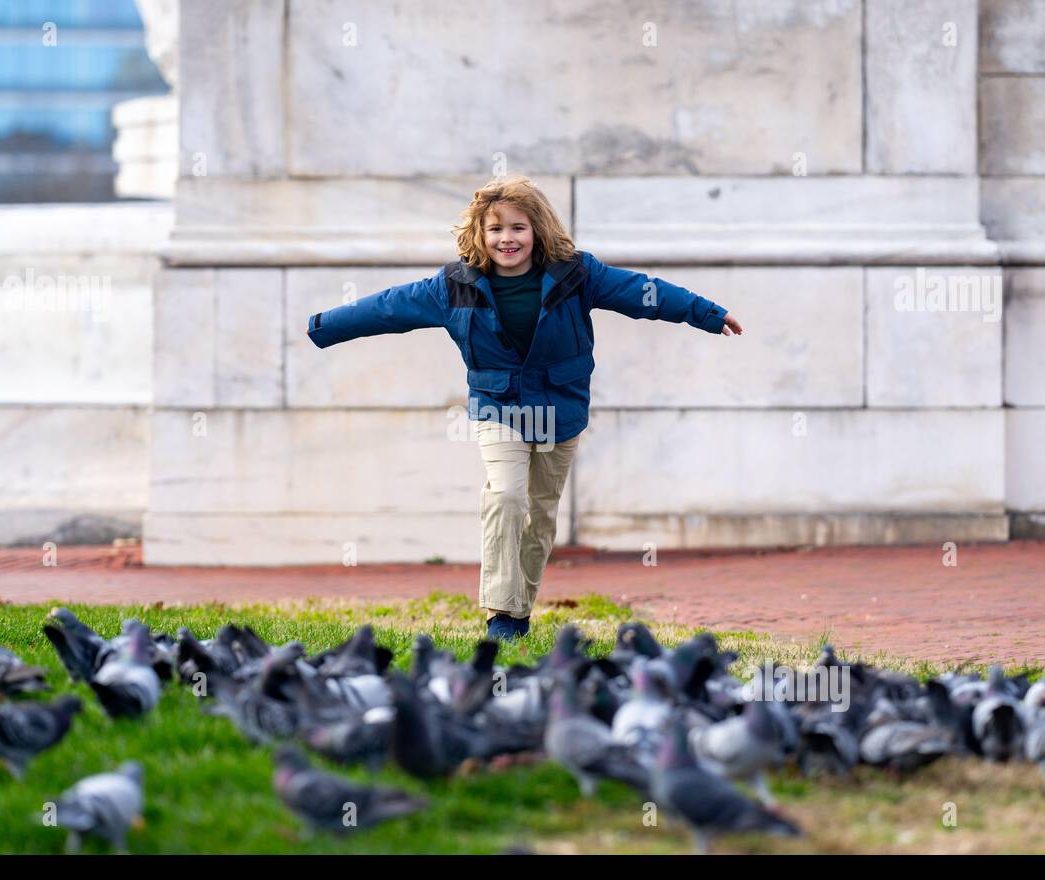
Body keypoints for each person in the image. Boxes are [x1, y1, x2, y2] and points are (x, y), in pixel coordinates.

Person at [306, 175, 742, 640]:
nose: (506, 239)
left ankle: (519, 611)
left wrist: (707, 314)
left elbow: (642, 292)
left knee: (540, 516)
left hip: (559, 410)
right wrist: (324, 326)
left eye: (517, 228)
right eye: (495, 229)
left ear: (537, 229)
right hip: (499, 407)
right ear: (480, 234)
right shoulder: (453, 286)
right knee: (505, 497)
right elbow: (386, 309)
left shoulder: (577, 275)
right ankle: (500, 617)